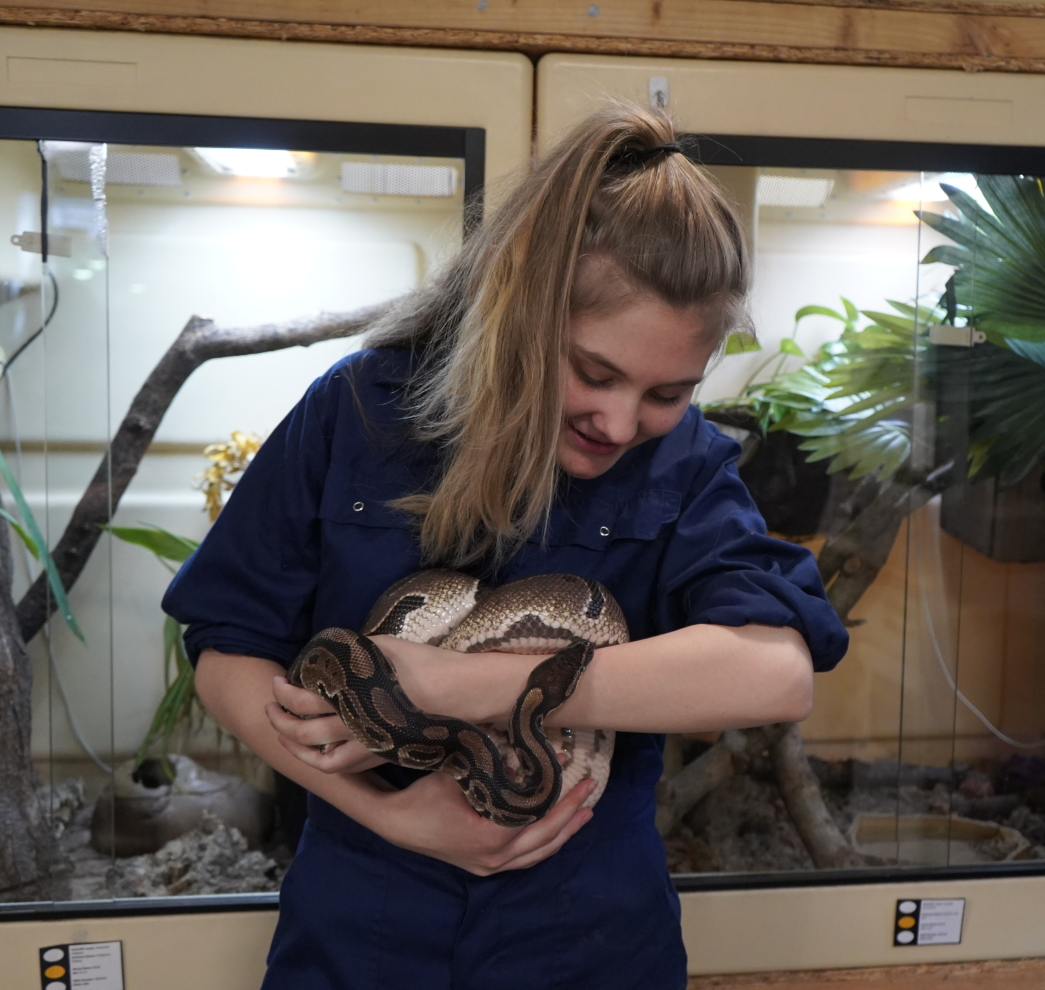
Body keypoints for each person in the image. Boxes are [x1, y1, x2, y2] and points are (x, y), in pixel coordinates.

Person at [164, 100, 849, 990]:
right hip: (362, 923)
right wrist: (394, 817)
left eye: (668, 392)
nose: (619, 420)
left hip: (591, 936)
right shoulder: (360, 410)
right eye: (594, 372)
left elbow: (777, 670)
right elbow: (226, 652)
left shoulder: (681, 463)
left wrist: (462, 684)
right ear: (521, 306)